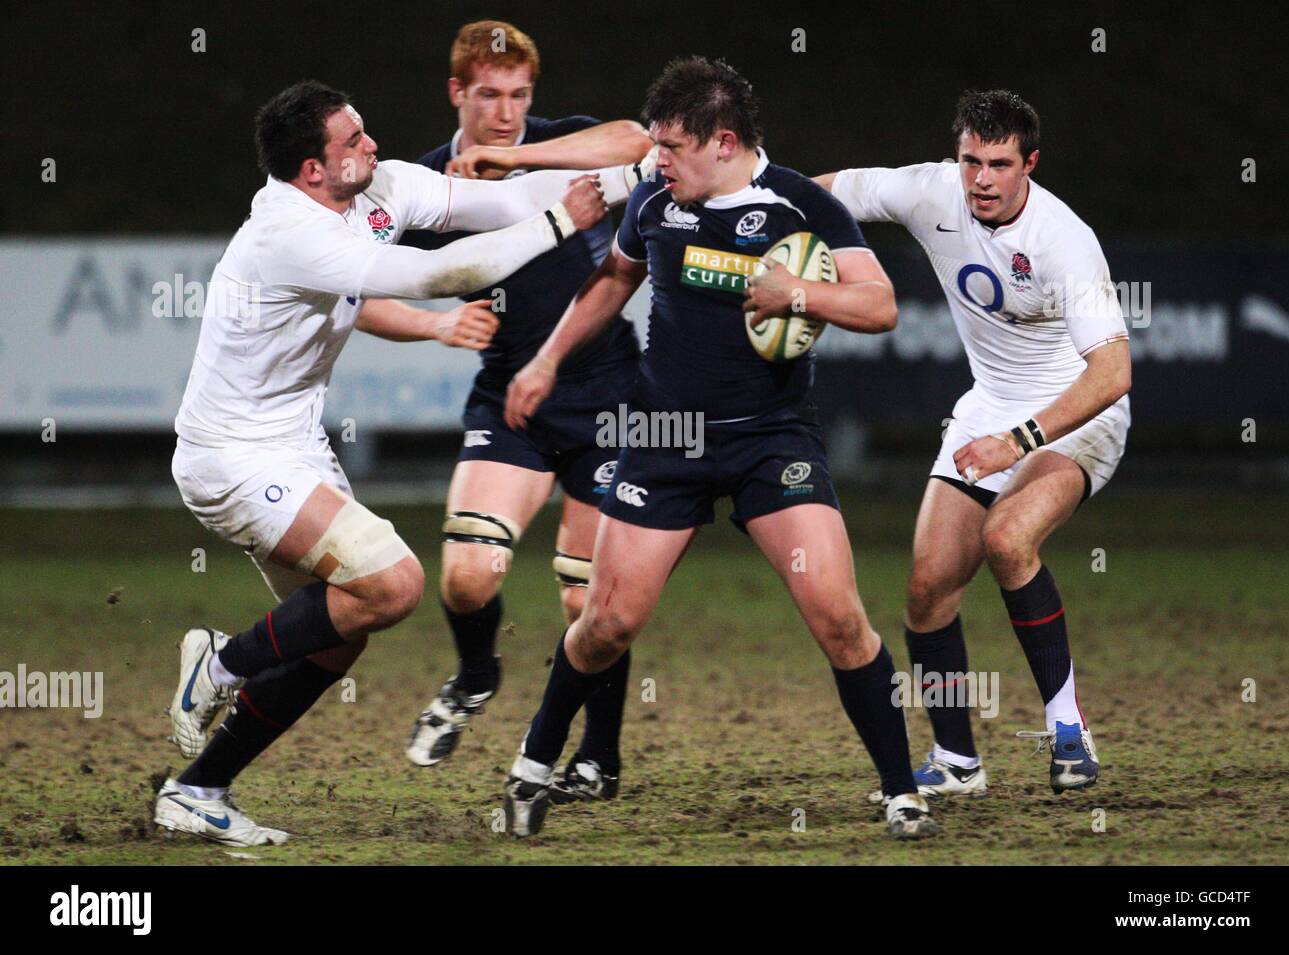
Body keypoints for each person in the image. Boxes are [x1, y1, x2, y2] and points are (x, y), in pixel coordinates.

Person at [156, 78, 628, 846]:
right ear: (313, 169)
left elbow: (506, 204)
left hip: (295, 447)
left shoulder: (383, 187)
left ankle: (198, 788)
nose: (371, 145)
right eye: (352, 141)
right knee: (395, 582)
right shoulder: (287, 232)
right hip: (231, 456)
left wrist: (635, 179)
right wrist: (557, 221)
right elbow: (440, 275)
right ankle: (219, 663)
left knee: (339, 632)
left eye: (364, 130)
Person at [500, 57, 939, 840]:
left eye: (671, 145)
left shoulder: (802, 205)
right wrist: (544, 358)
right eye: (656, 146)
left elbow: (880, 307)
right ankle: (534, 762)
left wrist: (798, 293)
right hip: (666, 439)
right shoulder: (654, 200)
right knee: (605, 623)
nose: (655, 159)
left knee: (838, 615)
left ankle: (902, 790)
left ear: (725, 141)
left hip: (773, 441)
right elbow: (613, 280)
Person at [817, 89, 1131, 795]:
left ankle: (1068, 729)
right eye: (970, 161)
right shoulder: (932, 192)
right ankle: (958, 760)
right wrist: (755, 209)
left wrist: (1017, 442)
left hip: (1076, 415)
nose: (981, 179)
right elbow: (830, 194)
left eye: (998, 163)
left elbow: (1112, 373)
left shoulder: (1063, 239)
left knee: (1008, 537)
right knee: (927, 589)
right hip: (989, 409)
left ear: (1030, 164)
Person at [395, 22, 653, 804]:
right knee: (469, 577)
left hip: (607, 391)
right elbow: (363, 288)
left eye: (519, 96)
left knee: (589, 600)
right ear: (457, 92)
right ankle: (476, 675)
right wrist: (438, 321)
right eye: (489, 96)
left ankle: (598, 761)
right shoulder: (427, 185)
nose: (506, 112)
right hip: (510, 392)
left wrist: (521, 157)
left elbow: (639, 138)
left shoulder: (554, 144)